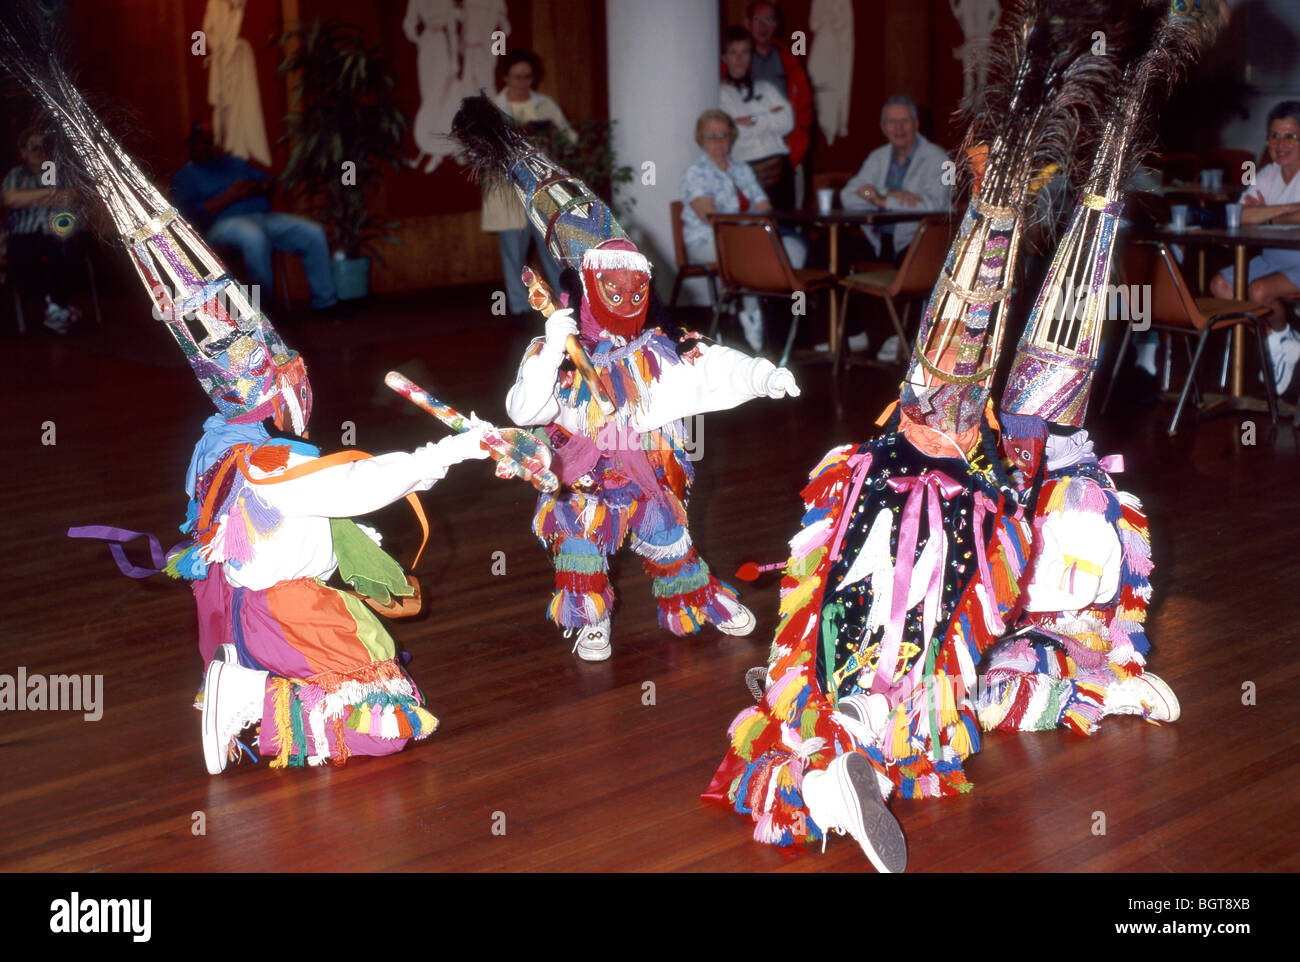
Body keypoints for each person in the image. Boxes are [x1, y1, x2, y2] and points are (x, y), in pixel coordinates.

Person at [169, 123, 340, 312]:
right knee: (254, 237)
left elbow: (270, 184)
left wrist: (256, 188)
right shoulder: (184, 177)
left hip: (263, 217)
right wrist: (229, 196)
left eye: (209, 141)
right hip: (222, 225)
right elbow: (190, 215)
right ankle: (266, 309)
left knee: (312, 232)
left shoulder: (234, 163)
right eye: (199, 142)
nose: (205, 146)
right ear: (190, 146)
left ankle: (326, 302)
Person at [679, 109, 807, 352]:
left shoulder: (742, 170)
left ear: (732, 137)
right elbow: (712, 218)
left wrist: (753, 226)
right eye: (711, 136)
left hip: (750, 239)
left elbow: (763, 205)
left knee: (796, 248)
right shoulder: (695, 173)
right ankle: (753, 313)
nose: (718, 141)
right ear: (700, 139)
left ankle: (781, 321)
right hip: (709, 242)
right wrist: (752, 225)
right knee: (756, 257)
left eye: (724, 135)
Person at [840, 95, 952, 360]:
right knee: (831, 254)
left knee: (913, 266)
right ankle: (854, 334)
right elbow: (848, 195)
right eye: (892, 122)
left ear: (916, 124)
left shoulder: (939, 159)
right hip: (878, 239)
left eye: (904, 121)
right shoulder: (878, 157)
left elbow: (936, 204)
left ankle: (905, 335)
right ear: (883, 126)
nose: (898, 128)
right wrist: (890, 195)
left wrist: (879, 199)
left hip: (918, 241)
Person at [1208, 100, 1300, 394]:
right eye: (1274, 136)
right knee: (1222, 287)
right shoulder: (1268, 174)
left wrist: (1267, 214)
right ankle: (1280, 338)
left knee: (1259, 291)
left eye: (1290, 136)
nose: (1280, 144)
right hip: (1272, 258)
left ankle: (1279, 338)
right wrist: (1286, 210)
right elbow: (1239, 215)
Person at [482, 49, 573, 325]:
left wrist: (548, 136)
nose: (522, 82)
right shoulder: (492, 108)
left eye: (527, 76)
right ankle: (521, 310)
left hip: (542, 187)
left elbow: (570, 140)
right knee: (514, 252)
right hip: (507, 192)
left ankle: (563, 305)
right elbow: (480, 151)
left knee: (551, 247)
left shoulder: (546, 105)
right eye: (516, 77)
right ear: (506, 77)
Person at [1, 126, 86, 333]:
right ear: (22, 151)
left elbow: (72, 197)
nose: (40, 152)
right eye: (34, 147)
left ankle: (57, 309)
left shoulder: (59, 172)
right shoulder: (16, 175)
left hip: (58, 234)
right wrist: (49, 194)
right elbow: (10, 199)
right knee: (22, 255)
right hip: (24, 236)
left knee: (66, 243)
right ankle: (58, 308)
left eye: (43, 148)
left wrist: (30, 198)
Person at [720, 26, 796, 212]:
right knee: (758, 233)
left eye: (744, 52)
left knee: (786, 228)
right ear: (724, 57)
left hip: (781, 170)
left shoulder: (766, 88)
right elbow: (734, 134)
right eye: (733, 52)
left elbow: (788, 122)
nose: (739, 59)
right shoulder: (720, 94)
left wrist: (751, 120)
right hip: (749, 173)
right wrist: (769, 116)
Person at [744, 2, 813, 205]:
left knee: (788, 215)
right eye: (757, 19)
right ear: (748, 24)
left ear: (777, 25)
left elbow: (804, 108)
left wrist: (797, 149)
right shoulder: (735, 61)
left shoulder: (789, 61)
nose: (763, 26)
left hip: (785, 154)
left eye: (769, 19)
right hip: (749, 154)